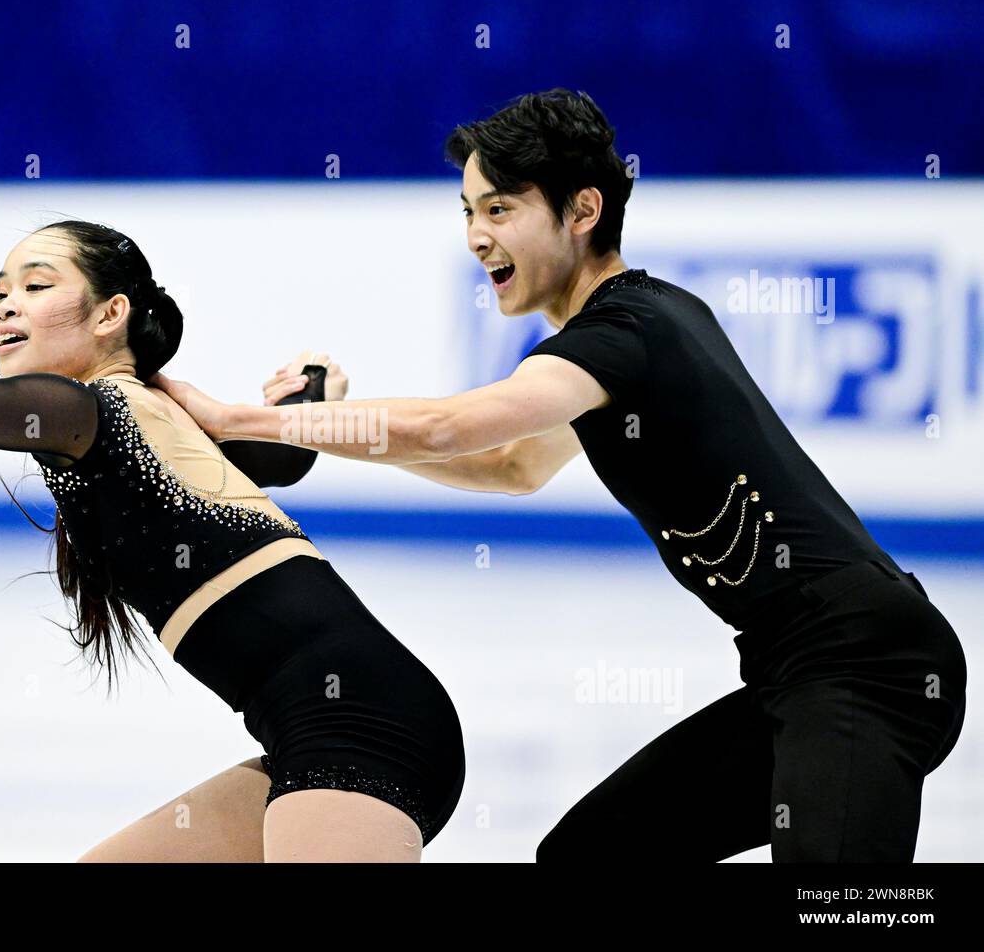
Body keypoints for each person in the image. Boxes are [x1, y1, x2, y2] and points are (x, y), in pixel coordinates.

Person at [153, 89, 968, 862]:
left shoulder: (630, 328)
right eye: (468, 211)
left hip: (868, 664)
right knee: (594, 854)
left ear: (582, 211)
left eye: (499, 208)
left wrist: (238, 421)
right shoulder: (628, 335)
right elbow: (508, 464)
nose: (475, 234)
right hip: (794, 672)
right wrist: (332, 428)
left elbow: (452, 424)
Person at [0, 108, 464, 862]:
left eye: (35, 285)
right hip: (313, 739)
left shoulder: (94, 410)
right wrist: (311, 393)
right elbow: (281, 461)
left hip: (364, 730)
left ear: (111, 314)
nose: (5, 304)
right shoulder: (155, 411)